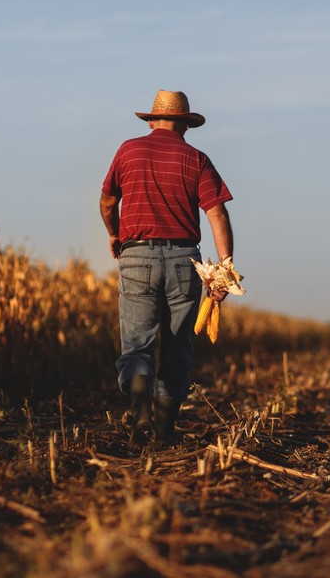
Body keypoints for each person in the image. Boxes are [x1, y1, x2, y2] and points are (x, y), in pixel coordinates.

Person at [99, 89, 235, 444]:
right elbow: (217, 213)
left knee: (137, 345)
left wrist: (114, 234)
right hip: (183, 262)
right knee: (178, 349)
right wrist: (224, 269)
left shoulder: (128, 150)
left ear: (151, 121)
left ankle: (141, 415)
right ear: (186, 125)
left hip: (136, 256)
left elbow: (108, 201)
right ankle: (164, 431)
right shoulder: (196, 159)